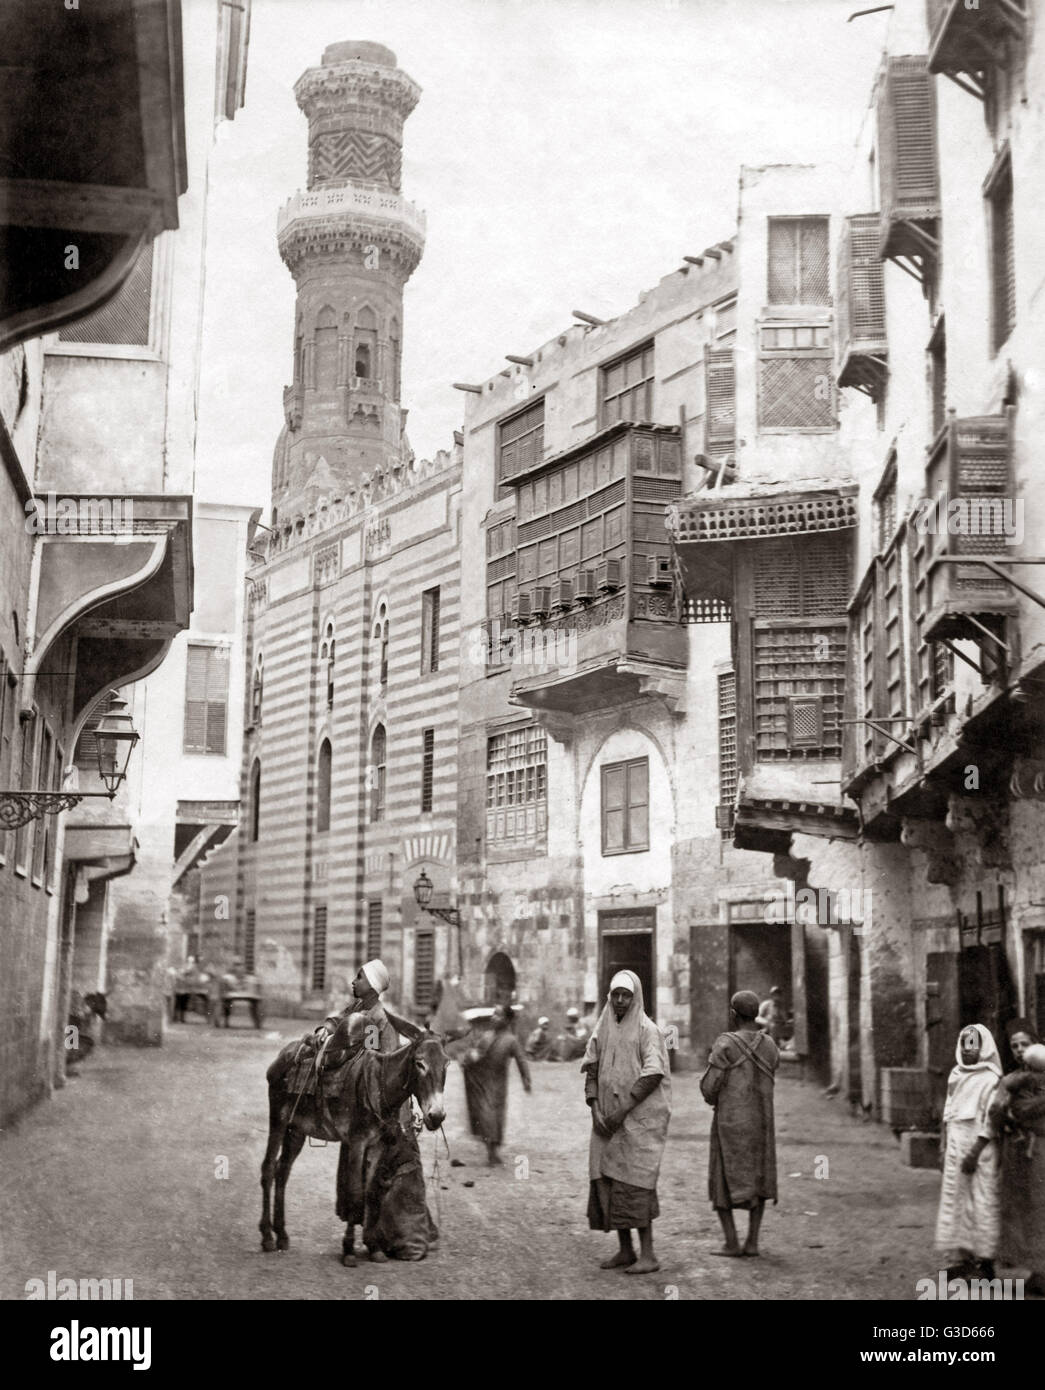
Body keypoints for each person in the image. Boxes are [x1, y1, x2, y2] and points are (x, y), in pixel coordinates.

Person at [327, 960, 418, 1265]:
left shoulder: (381, 1019)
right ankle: (349, 1239)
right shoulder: (355, 1009)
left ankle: (372, 1238)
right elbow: (336, 1022)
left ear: (374, 986)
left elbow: (383, 1063)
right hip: (353, 1108)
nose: (354, 982)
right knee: (352, 1176)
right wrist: (325, 1030)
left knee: (373, 1178)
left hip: (375, 1110)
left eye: (360, 978)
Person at [582, 970, 671, 1275]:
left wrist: (624, 1110)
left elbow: (653, 1072)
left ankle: (648, 1255)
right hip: (605, 1120)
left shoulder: (649, 1030)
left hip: (636, 1121)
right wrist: (595, 1108)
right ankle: (625, 1249)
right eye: (616, 995)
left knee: (635, 1181)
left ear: (636, 997)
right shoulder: (603, 1026)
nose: (620, 1001)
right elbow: (591, 1068)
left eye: (626, 995)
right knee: (607, 1178)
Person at [700, 989, 780, 1257]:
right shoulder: (769, 1045)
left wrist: (716, 1096)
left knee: (722, 1178)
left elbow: (710, 1087)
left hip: (730, 1124)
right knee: (759, 1177)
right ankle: (753, 1242)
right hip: (761, 1124)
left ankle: (732, 1242)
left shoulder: (725, 1043)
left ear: (733, 1014)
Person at [935, 1023, 1002, 1280]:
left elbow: (990, 1119)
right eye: (965, 1044)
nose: (968, 1050)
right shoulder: (955, 1075)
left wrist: (976, 1151)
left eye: (973, 1045)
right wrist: (943, 1145)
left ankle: (985, 1263)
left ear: (983, 1047)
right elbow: (948, 1112)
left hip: (980, 1147)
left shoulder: (992, 1079)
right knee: (956, 1199)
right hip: (955, 1143)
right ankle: (961, 1259)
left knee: (981, 1201)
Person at [988, 1019, 1045, 1296]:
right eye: (1014, 1045)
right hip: (1019, 1149)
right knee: (1025, 1209)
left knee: (1040, 1206)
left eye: (1025, 1044)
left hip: (1041, 1148)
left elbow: (1023, 1110)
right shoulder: (1012, 1080)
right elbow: (998, 1111)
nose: (1020, 1049)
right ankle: (1036, 1270)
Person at [461, 1003, 532, 1165]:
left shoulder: (511, 1040)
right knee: (486, 1115)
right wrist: (468, 1059)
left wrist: (526, 1078)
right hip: (483, 1081)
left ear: (507, 1020)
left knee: (496, 1116)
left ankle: (494, 1148)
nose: (494, 1017)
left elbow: (521, 1060)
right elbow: (477, 1053)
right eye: (494, 1014)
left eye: (499, 1015)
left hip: (499, 1083)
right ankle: (490, 1150)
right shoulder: (486, 1036)